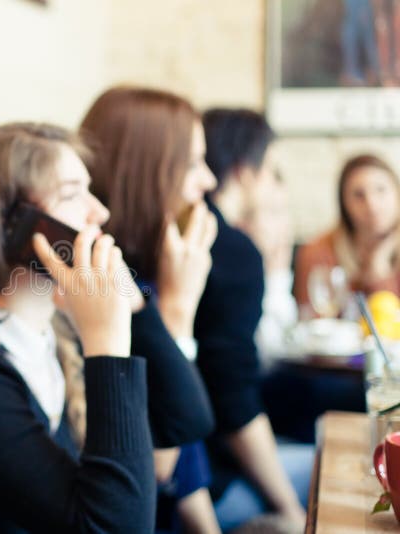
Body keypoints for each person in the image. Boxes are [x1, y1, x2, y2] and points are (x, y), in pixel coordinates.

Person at [0, 122, 213, 533]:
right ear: (14, 224)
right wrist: (106, 341)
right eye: (71, 194)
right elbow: (115, 526)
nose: (99, 212)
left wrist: (132, 305)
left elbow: (188, 420)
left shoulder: (53, 325)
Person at [80, 87, 308, 532]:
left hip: (190, 490)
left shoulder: (157, 256)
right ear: (144, 171)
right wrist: (178, 311)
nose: (208, 180)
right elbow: (160, 461)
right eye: (191, 164)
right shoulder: (105, 276)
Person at [202, 108, 297, 361]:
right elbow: (239, 374)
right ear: (244, 172)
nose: (274, 184)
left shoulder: (198, 229)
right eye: (270, 170)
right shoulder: (235, 249)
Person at [294, 154, 400, 314]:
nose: (372, 204)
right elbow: (310, 319)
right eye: (358, 195)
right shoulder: (317, 253)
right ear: (344, 205)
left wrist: (379, 269)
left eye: (381, 190)